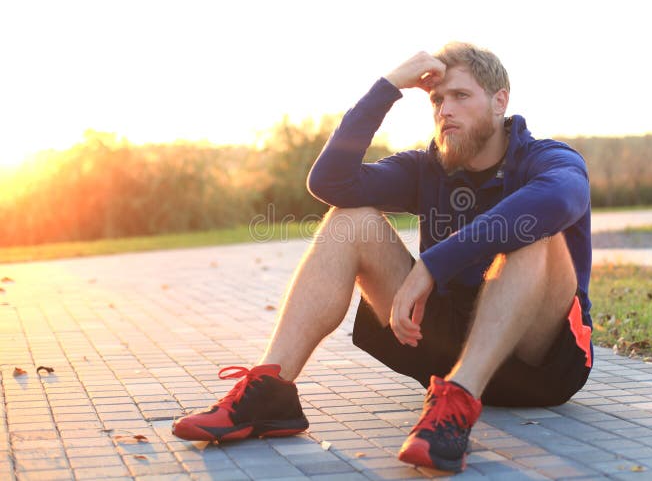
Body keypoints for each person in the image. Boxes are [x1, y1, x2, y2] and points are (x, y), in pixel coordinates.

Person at [172, 42, 594, 473]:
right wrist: (389, 86)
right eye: (437, 99)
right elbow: (330, 182)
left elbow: (562, 198)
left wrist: (434, 263)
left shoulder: (547, 159)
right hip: (443, 351)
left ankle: (459, 404)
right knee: (350, 218)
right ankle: (272, 390)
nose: (445, 110)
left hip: (538, 363)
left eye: (461, 96)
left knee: (535, 232)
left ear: (499, 100)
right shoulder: (426, 168)